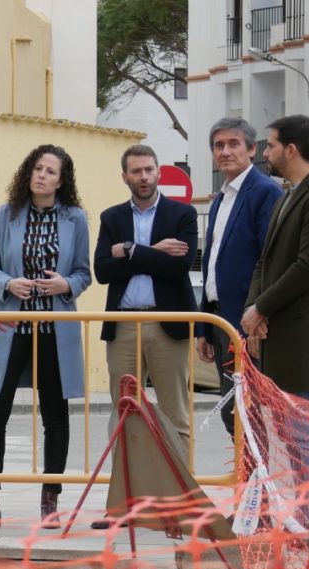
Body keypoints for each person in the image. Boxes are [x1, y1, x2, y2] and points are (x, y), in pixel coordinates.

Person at [0, 145, 91, 528]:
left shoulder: (76, 218)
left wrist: (65, 284)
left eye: (51, 171)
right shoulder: (6, 215)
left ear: (62, 180)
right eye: (37, 168)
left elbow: (83, 273)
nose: (42, 175)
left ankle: (51, 500)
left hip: (55, 330)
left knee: (56, 416)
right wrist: (8, 283)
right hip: (12, 327)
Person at [241, 115, 309, 531]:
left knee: (307, 435)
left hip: (304, 340)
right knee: (292, 436)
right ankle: (307, 519)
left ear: (291, 149)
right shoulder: (289, 196)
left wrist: (261, 308)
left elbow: (308, 267)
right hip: (278, 338)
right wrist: (254, 311)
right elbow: (266, 263)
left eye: (269, 146)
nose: (264, 153)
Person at [93, 145, 198, 453]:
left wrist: (130, 250)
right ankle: (128, 495)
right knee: (125, 413)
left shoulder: (183, 215)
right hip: (123, 326)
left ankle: (178, 498)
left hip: (169, 324)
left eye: (149, 170)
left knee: (175, 415)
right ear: (124, 176)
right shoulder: (111, 218)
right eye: (136, 171)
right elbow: (102, 270)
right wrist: (154, 251)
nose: (143, 177)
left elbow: (178, 266)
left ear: (159, 173)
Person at [197, 118, 283, 436]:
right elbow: (213, 267)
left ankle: (256, 484)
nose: (225, 151)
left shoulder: (265, 192)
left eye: (233, 144)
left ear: (252, 149)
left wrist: (261, 314)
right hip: (221, 322)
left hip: (249, 322)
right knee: (232, 412)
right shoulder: (221, 199)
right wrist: (204, 327)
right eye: (218, 146)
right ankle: (247, 482)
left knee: (250, 413)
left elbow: (270, 261)